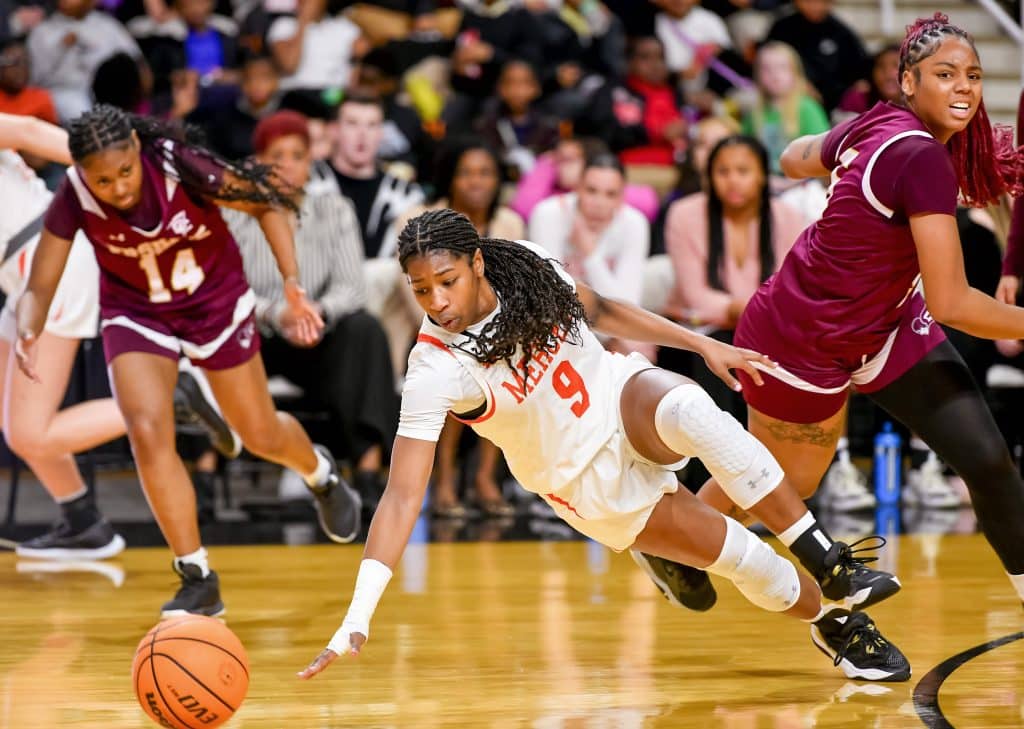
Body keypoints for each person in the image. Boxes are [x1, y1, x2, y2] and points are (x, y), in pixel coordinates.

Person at [297, 208, 911, 683]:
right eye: (420, 289)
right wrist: (359, 613)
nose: (436, 302)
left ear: (477, 263)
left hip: (620, 399)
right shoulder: (434, 370)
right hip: (587, 481)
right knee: (748, 563)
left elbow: (606, 310)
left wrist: (701, 344)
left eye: (446, 282)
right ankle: (836, 623)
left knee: (693, 406)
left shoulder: (526, 263)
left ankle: (831, 560)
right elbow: (403, 498)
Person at [696, 14, 1024, 608]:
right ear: (908, 81)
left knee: (986, 457)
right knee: (782, 485)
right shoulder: (920, 155)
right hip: (803, 336)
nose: (964, 88)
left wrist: (808, 169)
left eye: (973, 76)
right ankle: (676, 536)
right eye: (944, 74)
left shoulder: (875, 122)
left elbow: (798, 156)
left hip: (885, 327)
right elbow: (953, 302)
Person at [16, 104, 361, 616]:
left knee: (259, 433)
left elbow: (265, 203)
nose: (118, 188)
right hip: (136, 312)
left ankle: (320, 473)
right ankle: (196, 574)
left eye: (125, 172)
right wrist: (28, 327)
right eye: (103, 179)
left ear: (137, 148)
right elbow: (41, 282)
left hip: (214, 303)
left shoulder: (181, 165)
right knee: (146, 429)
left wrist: (292, 283)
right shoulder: (75, 193)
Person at [0, 112, 232, 560]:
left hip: (47, 259)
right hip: (21, 270)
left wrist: (105, 172)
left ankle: (176, 395)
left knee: (30, 434)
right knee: (12, 419)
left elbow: (29, 132)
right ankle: (83, 522)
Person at [227, 110, 398, 512]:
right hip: (257, 336)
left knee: (365, 329)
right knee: (213, 332)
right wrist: (276, 314)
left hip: (317, 334)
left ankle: (369, 472)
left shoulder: (333, 210)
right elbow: (229, 292)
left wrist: (312, 314)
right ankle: (202, 472)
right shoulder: (234, 213)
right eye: (276, 156)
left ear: (310, 162)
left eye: (297, 155)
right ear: (256, 163)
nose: (286, 165)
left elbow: (351, 287)